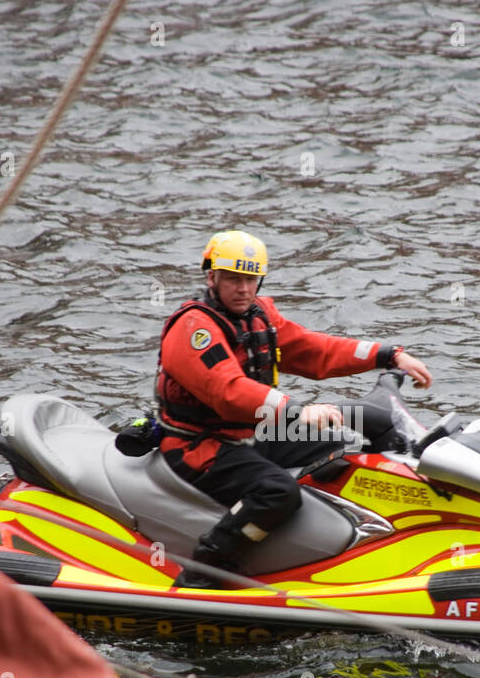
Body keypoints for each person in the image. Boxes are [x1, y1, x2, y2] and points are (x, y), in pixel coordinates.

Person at [155, 230, 433, 588]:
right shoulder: (194, 329)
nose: (243, 288)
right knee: (276, 492)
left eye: (250, 279)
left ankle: (364, 542)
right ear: (212, 277)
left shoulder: (259, 315)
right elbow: (227, 390)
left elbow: (315, 350)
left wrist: (387, 354)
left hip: (252, 434)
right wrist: (295, 409)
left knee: (343, 451)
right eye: (233, 279)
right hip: (199, 446)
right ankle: (204, 570)